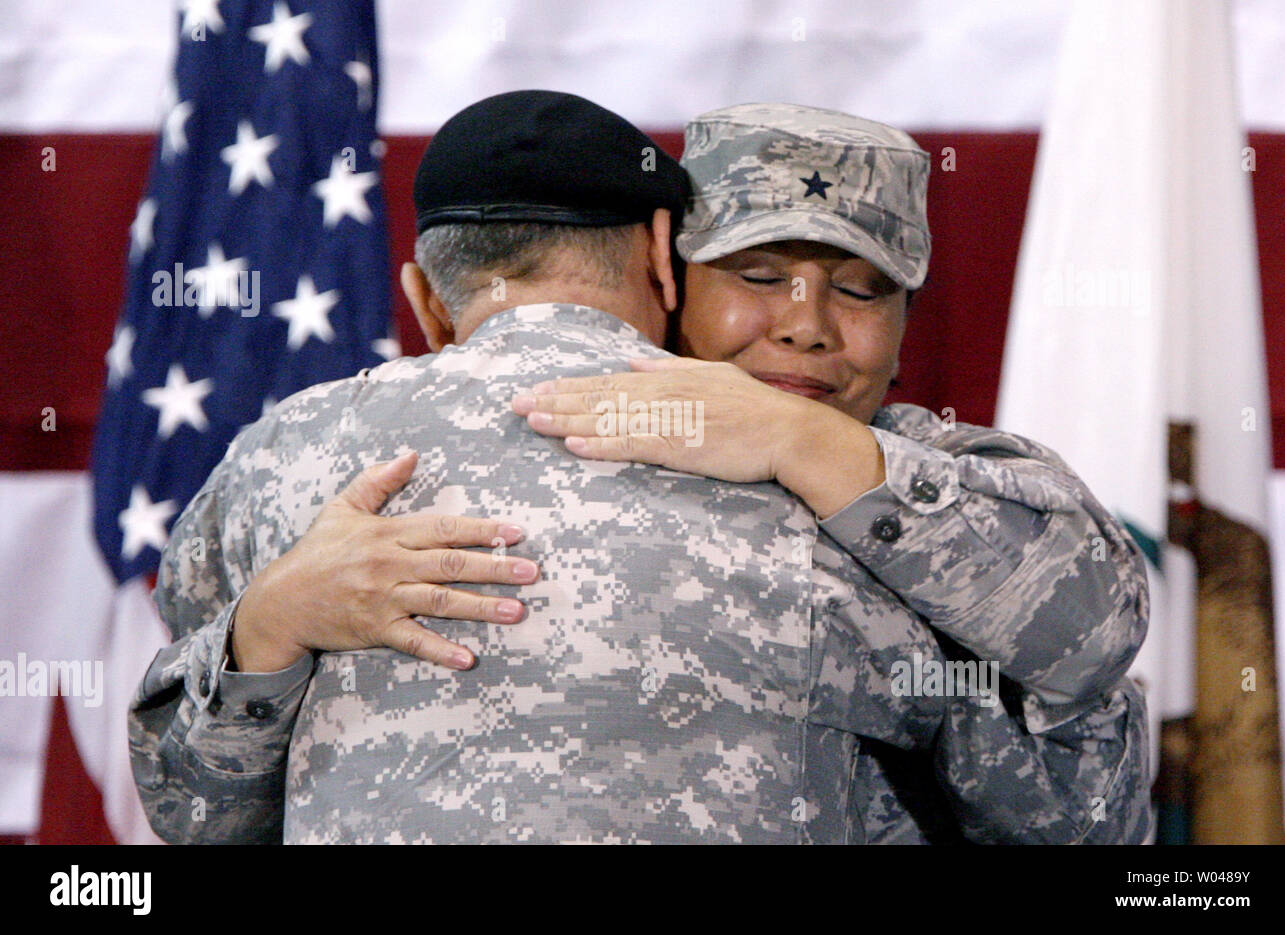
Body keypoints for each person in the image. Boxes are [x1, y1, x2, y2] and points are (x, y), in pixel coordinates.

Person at [129, 91, 953, 844]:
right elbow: (1028, 777)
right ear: (665, 258)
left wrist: (265, 626)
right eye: (766, 277)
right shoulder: (836, 469)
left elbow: (194, 808)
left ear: (424, 299)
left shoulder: (281, 456)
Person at [514, 103, 1152, 843]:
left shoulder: (965, 480)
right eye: (758, 275)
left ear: (905, 324)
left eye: (858, 291)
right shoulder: (569, 439)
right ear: (672, 283)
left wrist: (803, 442)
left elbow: (1097, 626)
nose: (806, 324)